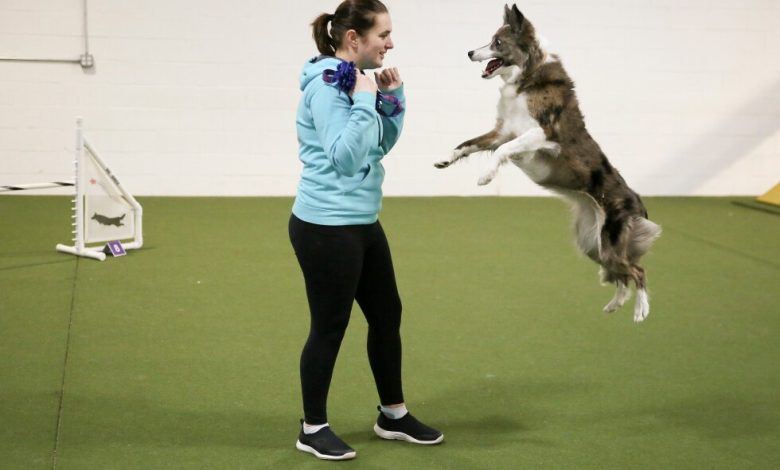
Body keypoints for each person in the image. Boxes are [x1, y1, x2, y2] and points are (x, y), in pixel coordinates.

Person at [288, 0, 443, 461]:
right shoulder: (325, 88)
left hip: (362, 221)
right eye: (383, 34)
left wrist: (391, 102)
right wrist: (361, 98)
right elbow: (345, 157)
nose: (391, 43)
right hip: (325, 227)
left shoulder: (359, 84)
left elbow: (379, 146)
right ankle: (312, 427)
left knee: (387, 314)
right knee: (330, 325)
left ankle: (392, 415)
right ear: (353, 39)